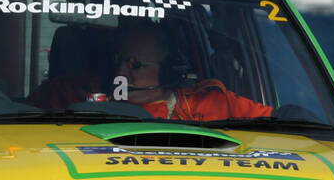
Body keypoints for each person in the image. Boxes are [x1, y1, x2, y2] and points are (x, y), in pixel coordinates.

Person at [113, 23, 274, 122]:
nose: (120, 72)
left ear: (168, 70)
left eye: (133, 64)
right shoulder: (107, 113)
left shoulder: (213, 101)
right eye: (118, 61)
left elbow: (275, 119)